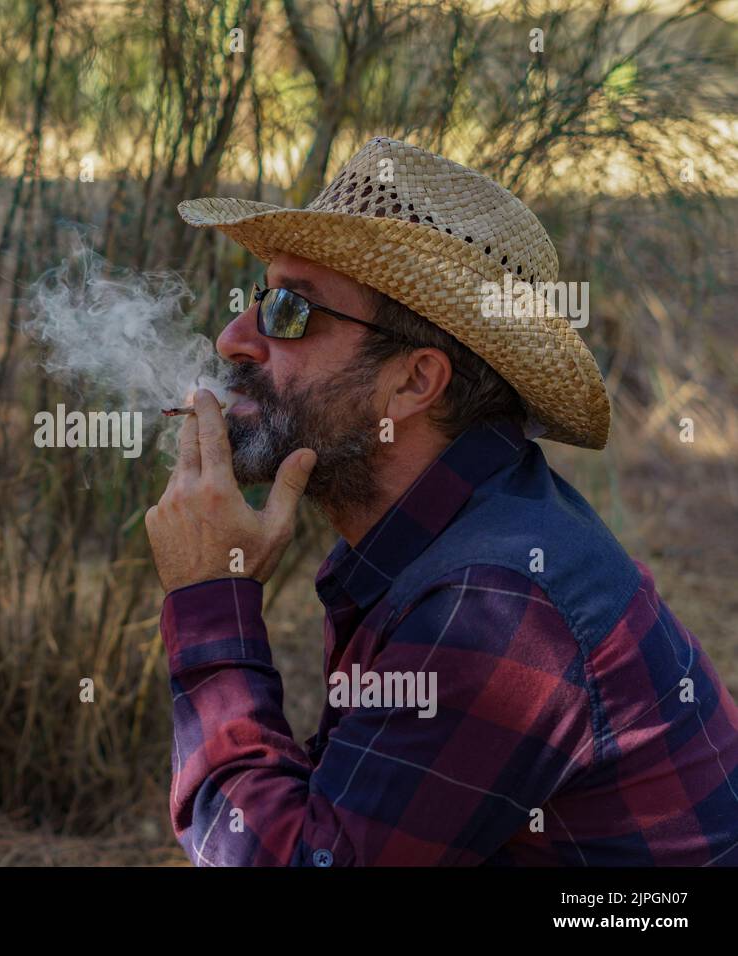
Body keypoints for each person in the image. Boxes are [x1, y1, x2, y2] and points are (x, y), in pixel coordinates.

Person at [144, 137, 738, 866]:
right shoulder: (438, 536)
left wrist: (212, 596)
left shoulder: (495, 601)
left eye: (292, 311)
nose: (233, 338)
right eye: (260, 300)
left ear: (414, 383)